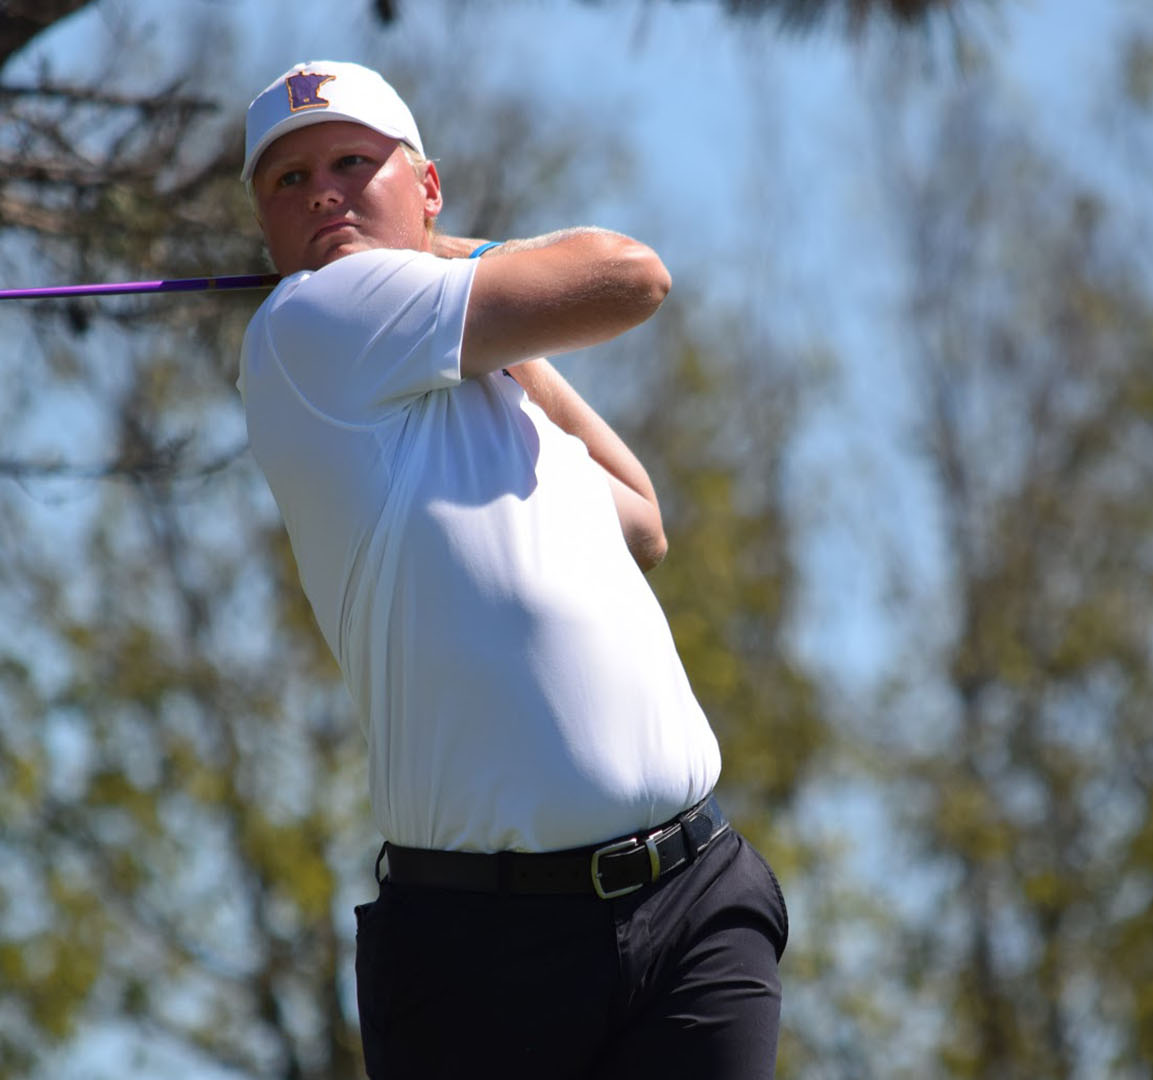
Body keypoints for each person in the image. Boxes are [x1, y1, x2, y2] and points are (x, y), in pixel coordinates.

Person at [235, 60, 789, 1080]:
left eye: (352, 163)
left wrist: (491, 327)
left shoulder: (481, 387)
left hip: (694, 897)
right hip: (480, 954)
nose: (322, 194)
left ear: (428, 186)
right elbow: (632, 275)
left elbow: (642, 521)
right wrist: (454, 261)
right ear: (268, 226)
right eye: (289, 180)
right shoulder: (312, 323)